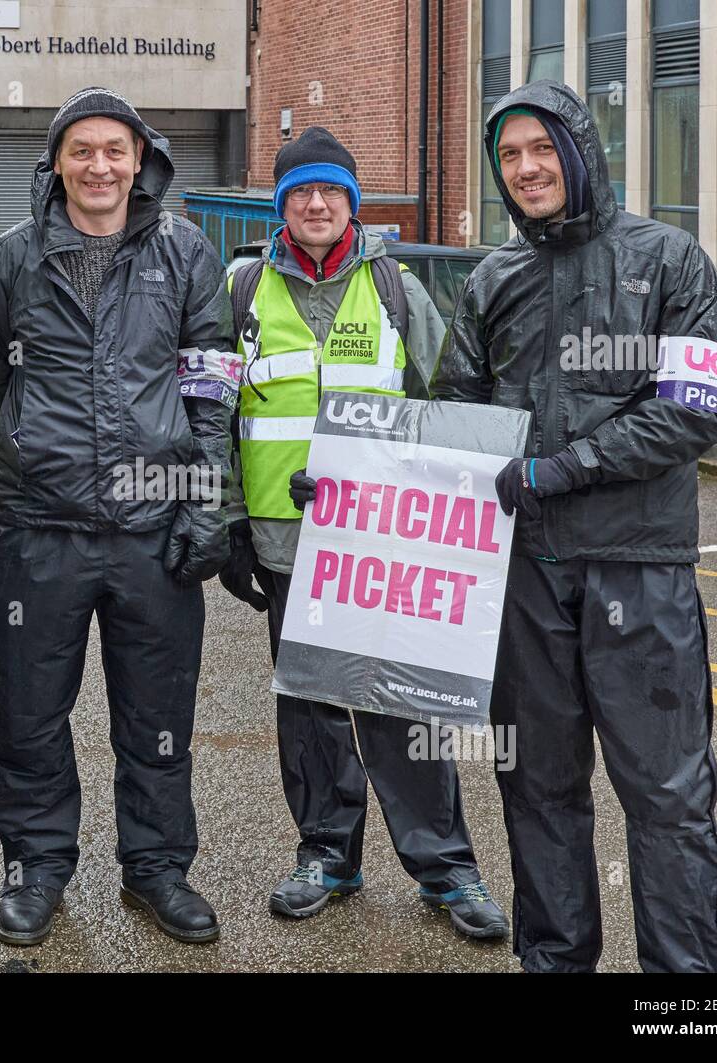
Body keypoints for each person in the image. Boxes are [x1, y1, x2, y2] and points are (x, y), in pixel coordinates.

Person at [432, 80, 717, 973]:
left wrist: (564, 468)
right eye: (510, 156)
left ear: (581, 150)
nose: (526, 169)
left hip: (639, 570)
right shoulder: (492, 279)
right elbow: (453, 416)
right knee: (537, 786)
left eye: (541, 148)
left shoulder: (671, 260)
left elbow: (696, 407)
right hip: (526, 577)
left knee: (668, 797)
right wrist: (350, 490)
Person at [219, 126, 508, 940]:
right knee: (308, 705)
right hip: (283, 540)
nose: (317, 204)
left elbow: (449, 398)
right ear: (281, 205)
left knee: (397, 705)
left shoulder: (394, 288)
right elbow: (212, 409)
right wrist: (232, 520)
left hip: (377, 545)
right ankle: (327, 856)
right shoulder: (239, 287)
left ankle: (446, 867)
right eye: (301, 192)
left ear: (351, 202)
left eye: (332, 191)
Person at [0, 87, 236, 946]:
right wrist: (35, 445)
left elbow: (209, 387)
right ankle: (36, 866)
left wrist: (203, 503)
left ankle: (158, 867)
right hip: (39, 531)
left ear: (140, 159)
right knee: (30, 710)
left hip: (152, 530)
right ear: (56, 164)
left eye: (114, 150)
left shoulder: (187, 254)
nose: (99, 166)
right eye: (81, 150)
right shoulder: (12, 259)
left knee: (157, 714)